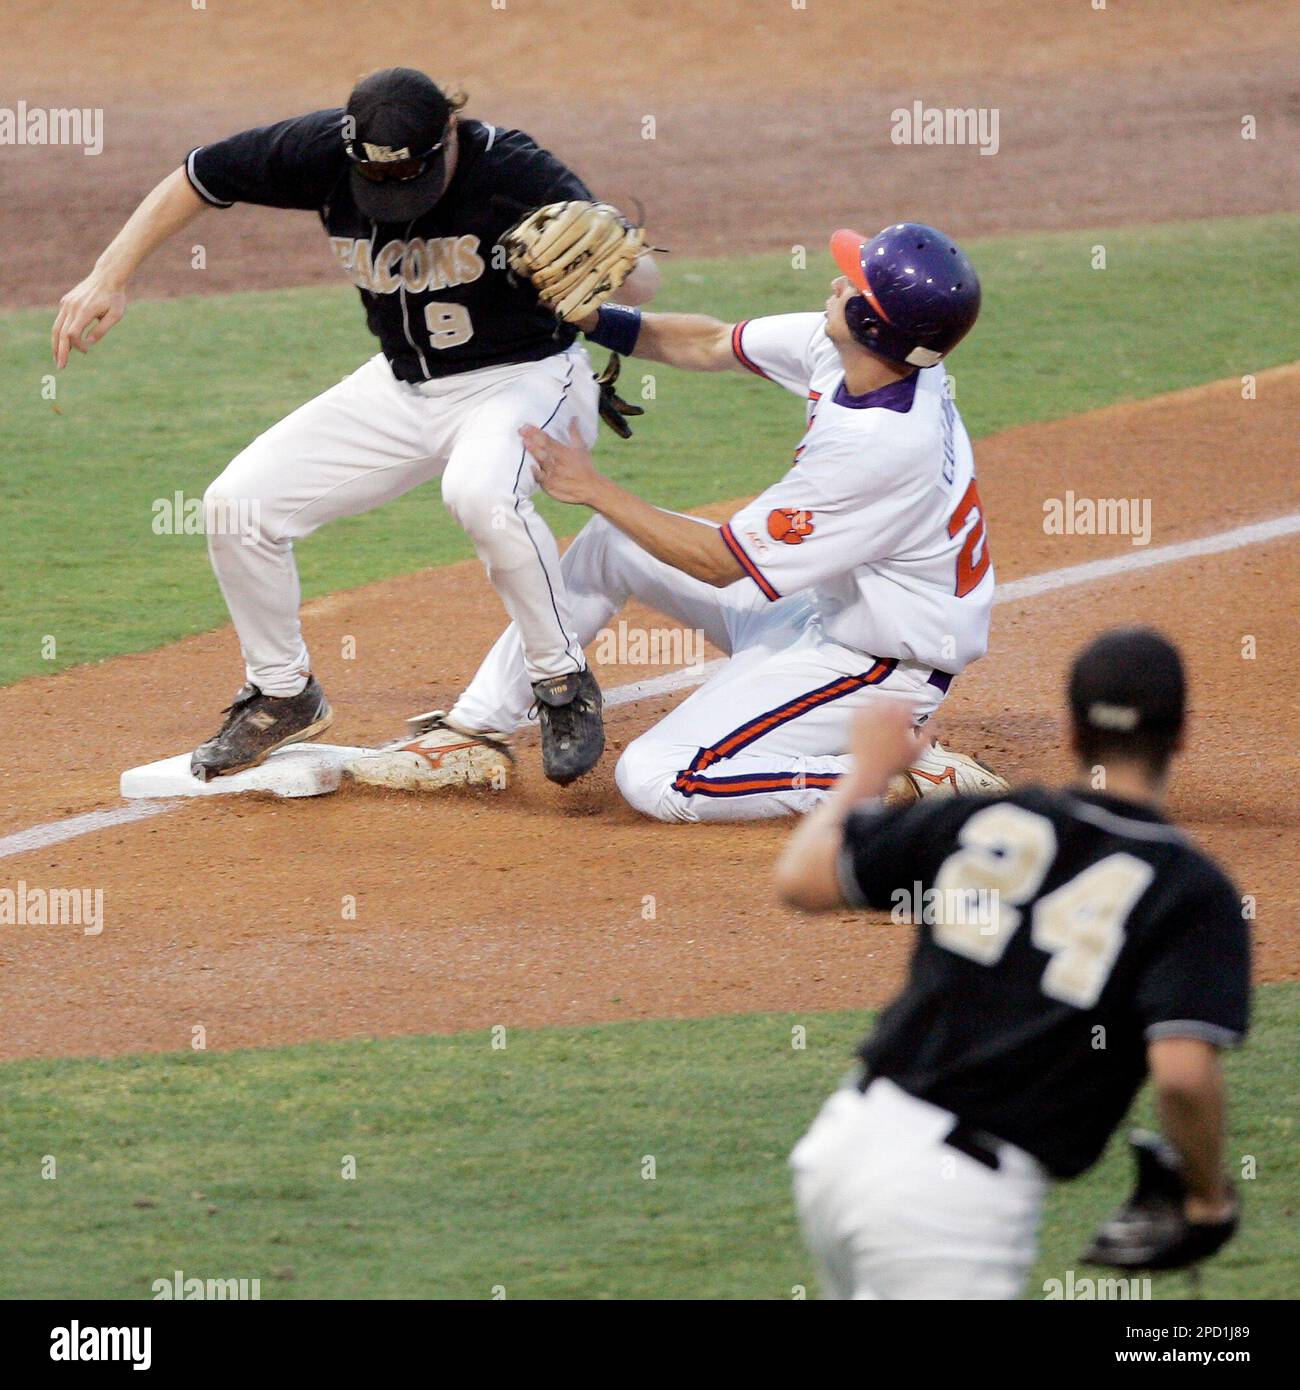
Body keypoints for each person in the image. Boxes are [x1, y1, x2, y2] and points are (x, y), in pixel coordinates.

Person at [51, 67, 658, 786]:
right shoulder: (318, 150)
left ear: (449, 137)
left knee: (479, 495)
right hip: (400, 386)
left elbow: (639, 282)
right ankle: (283, 693)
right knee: (237, 505)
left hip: (524, 378)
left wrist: (623, 265)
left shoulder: (515, 169)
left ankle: (559, 681)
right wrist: (108, 275)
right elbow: (197, 175)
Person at [349, 223, 1007, 821]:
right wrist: (593, 318)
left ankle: (892, 775)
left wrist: (591, 486)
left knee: (661, 778)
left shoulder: (883, 449)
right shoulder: (860, 354)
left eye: (855, 283)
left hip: (877, 669)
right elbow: (712, 341)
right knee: (613, 545)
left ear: (872, 321)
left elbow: (721, 560)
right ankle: (474, 734)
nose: (838, 281)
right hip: (825, 612)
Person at [775, 627, 1248, 1298]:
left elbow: (800, 878)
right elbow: (1182, 1075)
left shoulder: (987, 822)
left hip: (842, 1147)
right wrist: (1206, 1198)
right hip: (952, 1208)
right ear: (1183, 733)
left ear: (1071, 730)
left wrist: (868, 772)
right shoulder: (1191, 890)